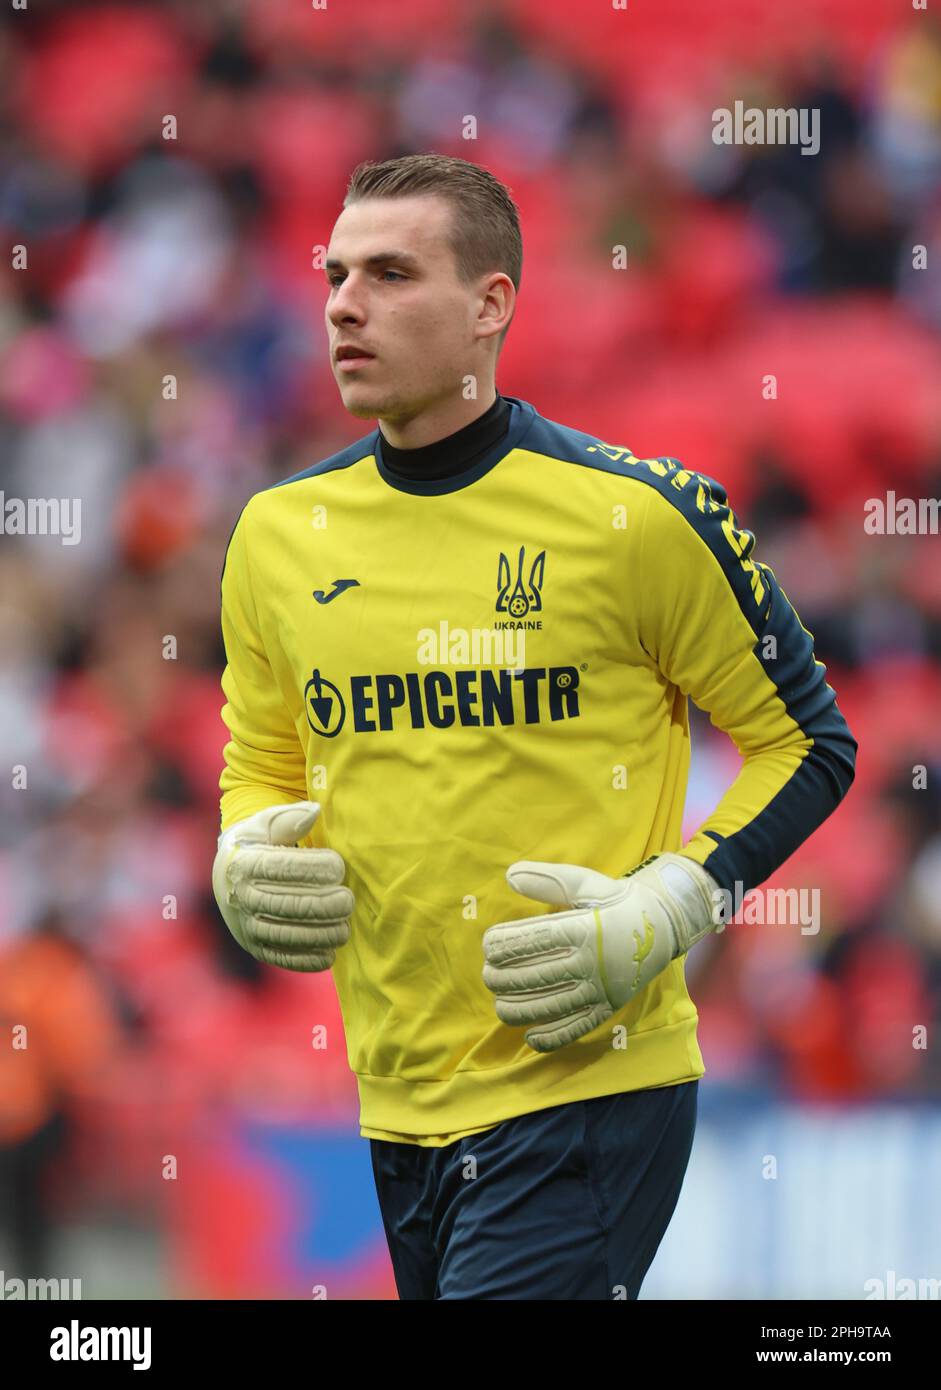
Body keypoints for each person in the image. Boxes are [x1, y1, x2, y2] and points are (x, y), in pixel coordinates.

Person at [212, 153, 857, 1300]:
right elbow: (261, 758)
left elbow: (809, 741)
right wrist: (240, 847)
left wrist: (676, 898)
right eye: (334, 275)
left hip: (590, 1087)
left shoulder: (635, 517)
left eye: (391, 273)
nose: (344, 304)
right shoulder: (275, 533)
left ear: (490, 304)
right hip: (395, 1101)